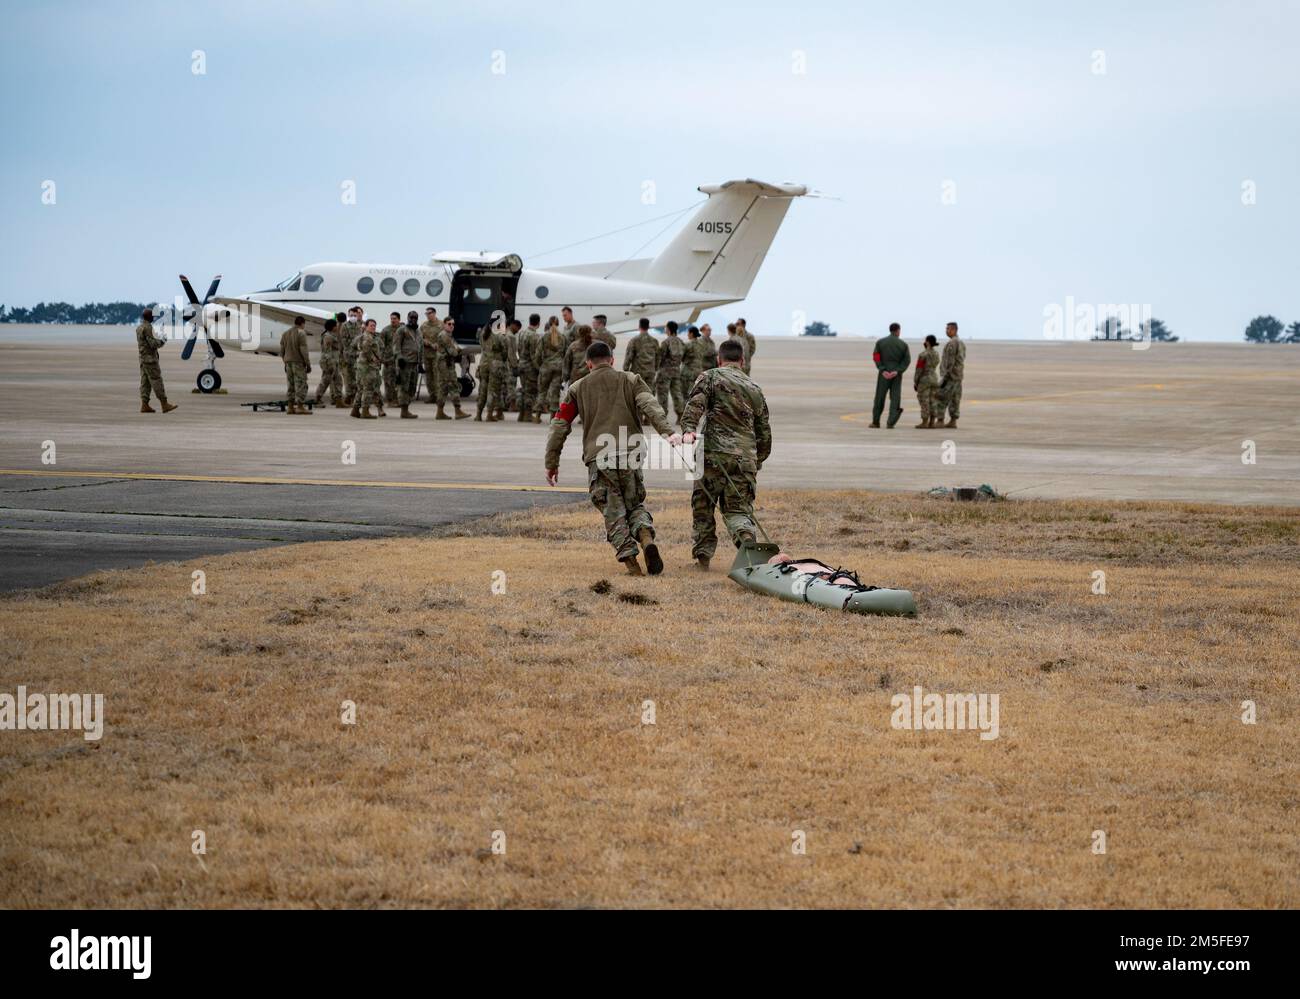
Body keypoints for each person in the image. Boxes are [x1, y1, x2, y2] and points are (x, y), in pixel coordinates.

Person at [545, 340, 674, 576]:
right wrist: (668, 433)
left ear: (588, 364)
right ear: (612, 360)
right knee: (634, 503)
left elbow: (560, 426)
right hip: (631, 453)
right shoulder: (631, 380)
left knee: (613, 510)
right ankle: (645, 536)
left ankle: (632, 564)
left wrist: (551, 463)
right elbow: (651, 406)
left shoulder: (577, 388)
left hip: (600, 457)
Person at [672, 338, 771, 571]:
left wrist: (688, 431)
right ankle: (748, 546)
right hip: (744, 458)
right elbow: (764, 432)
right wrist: (756, 460)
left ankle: (703, 558)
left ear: (719, 358)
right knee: (738, 509)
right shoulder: (755, 388)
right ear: (743, 361)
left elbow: (695, 405)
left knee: (704, 505)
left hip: (712, 455)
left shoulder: (710, 376)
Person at [135, 308, 177, 413]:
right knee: (156, 381)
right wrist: (162, 340)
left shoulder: (139, 328)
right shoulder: (148, 328)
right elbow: (153, 344)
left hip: (143, 359)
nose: (154, 318)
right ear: (149, 317)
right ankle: (164, 404)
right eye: (152, 316)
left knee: (145, 382)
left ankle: (144, 405)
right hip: (150, 360)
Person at [871, 322, 911, 429]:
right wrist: (897, 371)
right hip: (896, 375)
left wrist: (882, 369)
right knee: (895, 398)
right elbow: (907, 360)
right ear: (898, 330)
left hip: (883, 374)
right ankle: (890, 422)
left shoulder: (880, 342)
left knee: (879, 397)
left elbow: (876, 356)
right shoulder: (903, 344)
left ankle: (875, 422)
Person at [432, 318, 469, 419]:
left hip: (445, 364)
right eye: (449, 324)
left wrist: (456, 349)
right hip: (445, 365)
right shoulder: (444, 335)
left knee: (443, 388)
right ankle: (458, 411)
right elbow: (453, 352)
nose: (451, 325)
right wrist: (457, 350)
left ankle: (440, 412)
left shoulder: (448, 336)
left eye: (453, 324)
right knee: (453, 386)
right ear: (444, 324)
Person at [475, 321, 510, 421]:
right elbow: (504, 353)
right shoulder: (501, 336)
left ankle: (478, 415)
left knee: (482, 389)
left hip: (483, 363)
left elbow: (482, 347)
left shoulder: (483, 334)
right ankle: (489, 414)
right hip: (495, 365)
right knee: (492, 391)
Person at [534, 315, 567, 419]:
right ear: (558, 324)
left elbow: (538, 354)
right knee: (555, 392)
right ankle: (553, 417)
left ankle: (537, 416)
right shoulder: (563, 337)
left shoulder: (543, 337)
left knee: (542, 391)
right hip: (559, 367)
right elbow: (566, 354)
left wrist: (540, 365)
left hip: (546, 367)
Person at [279, 315, 313, 415]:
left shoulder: (285, 333)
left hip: (288, 362)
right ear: (302, 323)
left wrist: (285, 362)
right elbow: (304, 350)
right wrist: (308, 364)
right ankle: (300, 406)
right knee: (301, 384)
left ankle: (290, 407)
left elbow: (282, 351)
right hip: (298, 362)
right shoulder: (301, 333)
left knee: (291, 384)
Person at [655, 321, 686, 425]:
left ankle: (663, 417)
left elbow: (660, 357)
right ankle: (680, 415)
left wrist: (657, 368)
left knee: (663, 395)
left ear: (668, 329)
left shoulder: (666, 342)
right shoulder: (681, 342)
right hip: (677, 371)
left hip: (665, 372)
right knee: (677, 394)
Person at [351, 319, 383, 419]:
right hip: (368, 367)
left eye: (374, 325)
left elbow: (355, 347)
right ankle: (365, 411)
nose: (373, 327)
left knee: (360, 389)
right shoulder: (368, 337)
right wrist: (373, 359)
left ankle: (355, 410)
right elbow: (366, 350)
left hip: (361, 366)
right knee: (368, 389)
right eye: (371, 325)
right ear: (366, 326)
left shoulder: (362, 336)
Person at [938, 321, 966, 429]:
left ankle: (940, 420)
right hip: (958, 376)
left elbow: (950, 361)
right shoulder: (961, 343)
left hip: (951, 376)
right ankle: (953, 421)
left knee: (941, 397)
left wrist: (945, 375)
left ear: (954, 330)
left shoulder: (952, 343)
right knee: (955, 398)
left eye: (948, 329)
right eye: (946, 329)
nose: (946, 331)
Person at [313, 314, 345, 408]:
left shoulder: (331, 334)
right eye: (335, 325)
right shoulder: (328, 336)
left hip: (334, 361)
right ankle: (317, 399)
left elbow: (338, 333)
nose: (336, 327)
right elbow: (327, 352)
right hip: (329, 363)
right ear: (332, 327)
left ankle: (338, 401)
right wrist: (330, 364)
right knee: (325, 381)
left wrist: (340, 322)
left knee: (338, 381)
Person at [395, 311, 422, 418]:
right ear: (408, 318)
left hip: (415, 363)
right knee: (404, 387)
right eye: (411, 317)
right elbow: (396, 345)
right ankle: (404, 410)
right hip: (404, 363)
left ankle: (407, 407)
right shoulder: (402, 330)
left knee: (412, 388)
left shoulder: (418, 331)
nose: (413, 319)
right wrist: (399, 357)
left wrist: (421, 362)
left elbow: (421, 347)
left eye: (415, 317)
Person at [516, 314, 542, 422]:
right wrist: (538, 368)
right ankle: (528, 414)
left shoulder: (522, 333)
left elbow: (518, 348)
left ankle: (521, 414)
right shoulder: (534, 336)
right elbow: (534, 355)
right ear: (538, 323)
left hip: (521, 364)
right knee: (530, 391)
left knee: (524, 390)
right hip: (530, 367)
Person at [914, 334, 942, 428]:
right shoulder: (936, 353)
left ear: (928, 342)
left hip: (924, 379)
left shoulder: (923, 354)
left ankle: (924, 422)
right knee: (933, 400)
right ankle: (932, 422)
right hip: (934, 377)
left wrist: (916, 381)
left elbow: (919, 369)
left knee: (924, 399)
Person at [622, 317, 659, 388]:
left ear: (639, 326)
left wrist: (626, 369)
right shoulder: (654, 341)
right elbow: (658, 357)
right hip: (650, 372)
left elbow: (629, 356)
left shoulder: (634, 340)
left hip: (638, 372)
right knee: (649, 394)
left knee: (637, 393)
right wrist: (655, 368)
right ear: (648, 327)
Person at [418, 307, 444, 404]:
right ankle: (432, 395)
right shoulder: (424, 325)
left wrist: (438, 344)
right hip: (427, 354)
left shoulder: (441, 325)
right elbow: (420, 337)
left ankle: (438, 396)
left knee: (437, 375)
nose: (428, 315)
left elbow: (446, 336)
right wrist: (427, 343)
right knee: (429, 376)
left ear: (434, 313)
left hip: (437, 354)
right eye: (427, 313)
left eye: (430, 313)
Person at [339, 307, 364, 405]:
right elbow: (344, 341)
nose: (353, 317)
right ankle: (349, 395)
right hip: (349, 355)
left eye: (355, 315)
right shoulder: (345, 326)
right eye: (351, 315)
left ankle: (357, 397)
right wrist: (352, 346)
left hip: (358, 355)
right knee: (349, 377)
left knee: (358, 376)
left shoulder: (360, 325)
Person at [379, 312, 402, 407]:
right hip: (389, 360)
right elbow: (380, 346)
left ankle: (398, 399)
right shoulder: (386, 330)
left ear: (399, 319)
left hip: (400, 360)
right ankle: (390, 400)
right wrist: (382, 359)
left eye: (395, 318)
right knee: (388, 381)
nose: (393, 320)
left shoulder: (403, 330)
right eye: (391, 318)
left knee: (399, 381)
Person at [679, 325, 704, 400]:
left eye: (688, 333)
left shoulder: (687, 345)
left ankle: (687, 410)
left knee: (685, 395)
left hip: (687, 373)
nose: (687, 334)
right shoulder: (701, 344)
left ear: (691, 334)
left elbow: (681, 357)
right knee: (695, 393)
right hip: (698, 371)